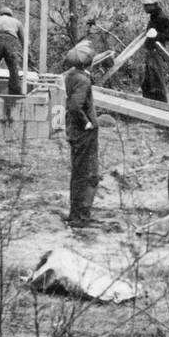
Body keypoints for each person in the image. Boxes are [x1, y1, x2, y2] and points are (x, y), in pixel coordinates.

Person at [63, 42, 100, 228]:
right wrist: (87, 123)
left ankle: (74, 214)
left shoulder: (71, 75)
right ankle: (81, 217)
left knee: (78, 174)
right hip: (83, 134)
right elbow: (75, 106)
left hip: (74, 131)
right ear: (88, 63)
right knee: (88, 174)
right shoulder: (83, 80)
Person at [139, 0, 169, 102]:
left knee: (157, 81)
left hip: (157, 53)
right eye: (144, 6)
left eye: (147, 6)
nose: (145, 8)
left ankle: (163, 106)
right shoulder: (154, 16)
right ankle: (149, 103)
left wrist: (156, 36)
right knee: (147, 82)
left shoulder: (161, 18)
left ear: (154, 5)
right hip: (151, 53)